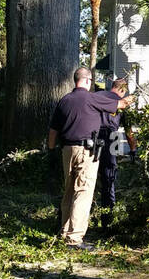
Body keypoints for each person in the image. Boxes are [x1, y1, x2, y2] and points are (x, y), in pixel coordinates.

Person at [47, 67, 132, 249]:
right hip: (86, 151)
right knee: (83, 192)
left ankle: (64, 231)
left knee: (69, 190)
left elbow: (53, 131)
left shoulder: (64, 100)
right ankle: (75, 238)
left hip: (67, 150)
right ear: (87, 80)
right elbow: (120, 105)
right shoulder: (91, 98)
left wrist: (51, 150)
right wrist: (130, 99)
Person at [95, 77, 137, 210]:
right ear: (123, 90)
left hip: (93, 135)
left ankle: (91, 204)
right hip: (113, 136)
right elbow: (129, 131)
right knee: (110, 174)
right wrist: (133, 150)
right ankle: (109, 209)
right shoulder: (122, 102)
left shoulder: (97, 96)